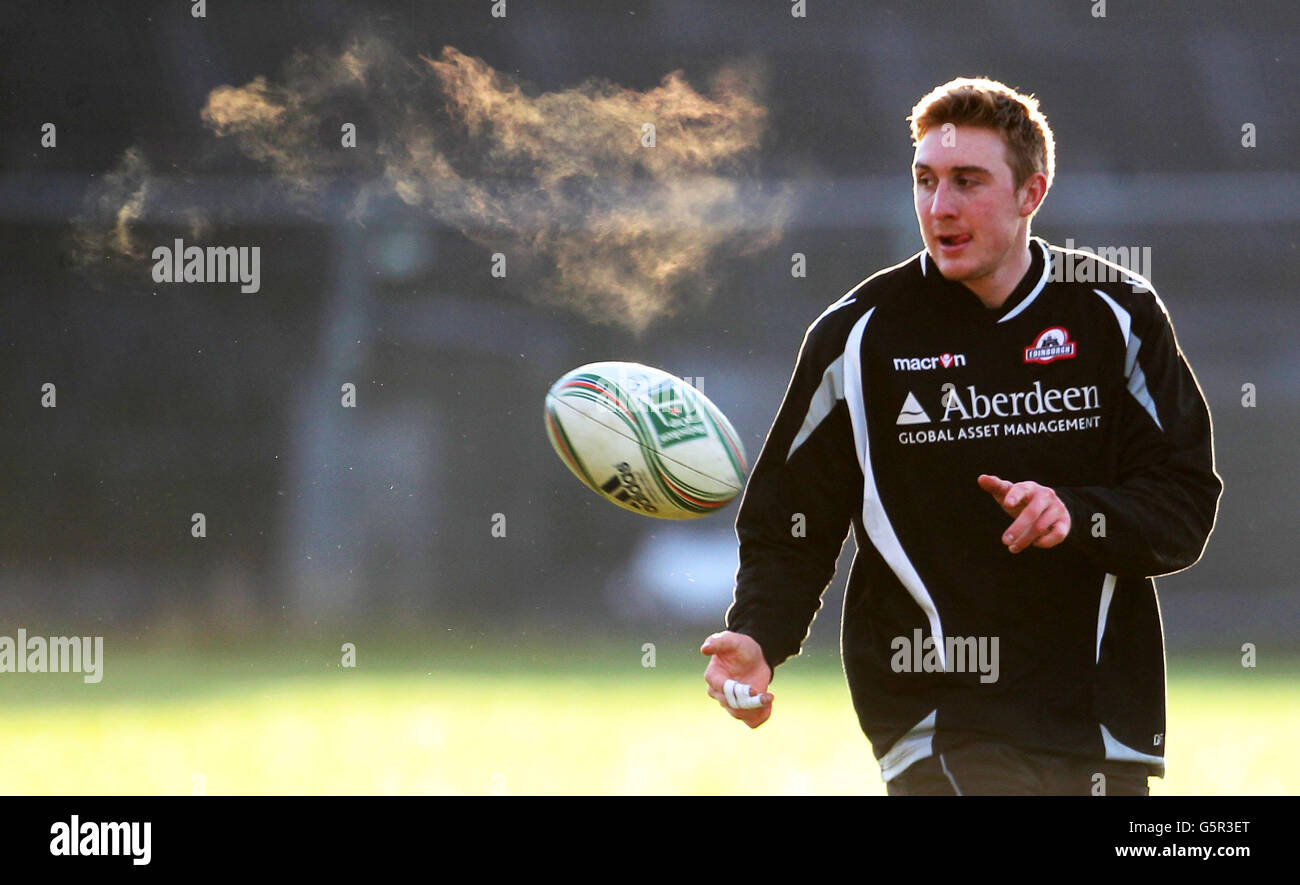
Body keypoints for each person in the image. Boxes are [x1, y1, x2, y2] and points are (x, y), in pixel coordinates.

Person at [701, 77, 1222, 796]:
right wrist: (759, 635)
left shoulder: (1117, 315)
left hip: (1097, 715)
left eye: (967, 182)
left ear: (1031, 193)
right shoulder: (855, 338)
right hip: (936, 706)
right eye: (925, 181)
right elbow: (791, 522)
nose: (939, 207)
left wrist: (1079, 514)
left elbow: (1185, 505)